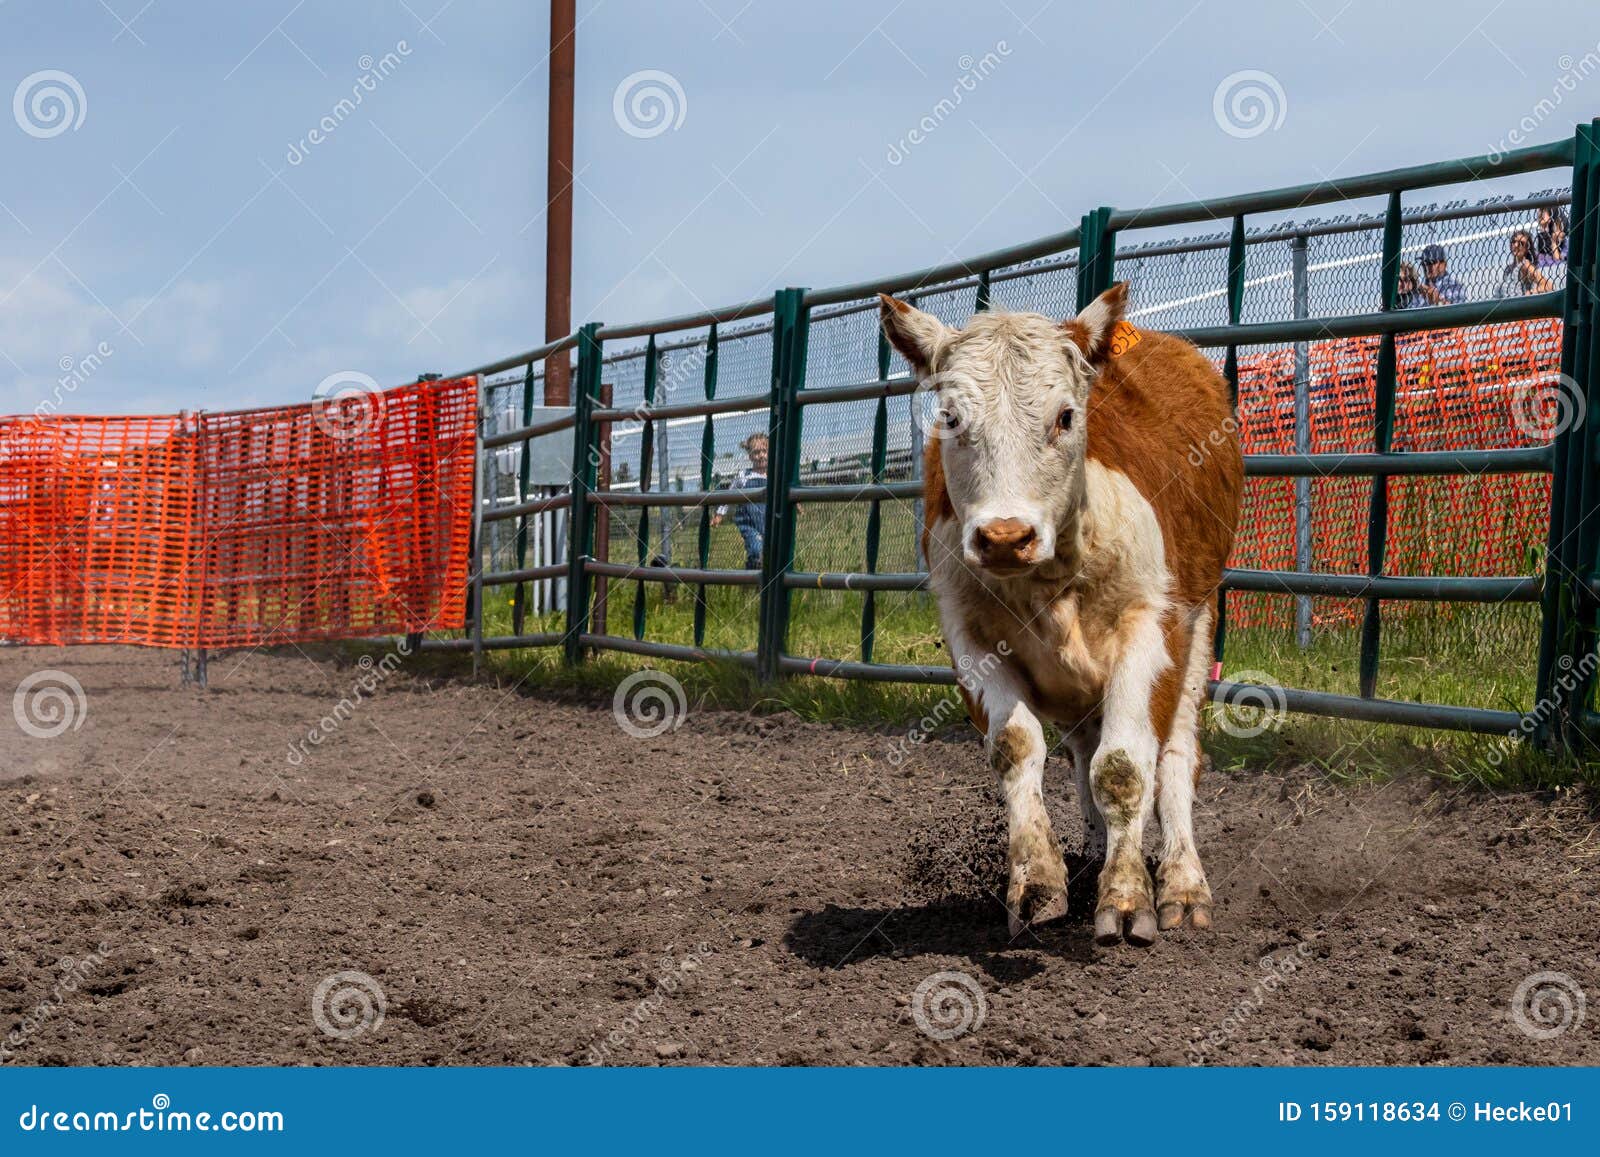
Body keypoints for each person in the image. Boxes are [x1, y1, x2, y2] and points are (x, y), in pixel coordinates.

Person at [711, 434, 769, 570]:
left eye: (764, 451)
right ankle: (751, 576)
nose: (761, 455)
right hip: (750, 525)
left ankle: (764, 583)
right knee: (755, 549)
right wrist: (719, 515)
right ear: (750, 456)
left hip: (769, 522)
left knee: (770, 554)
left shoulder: (774, 475)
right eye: (756, 452)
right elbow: (729, 495)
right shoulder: (744, 476)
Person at [1495, 229, 1553, 297]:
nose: (1516, 245)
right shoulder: (1508, 269)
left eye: (1521, 243)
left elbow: (1548, 286)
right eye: (1514, 241)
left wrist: (1531, 292)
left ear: (1527, 248)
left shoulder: (1526, 265)